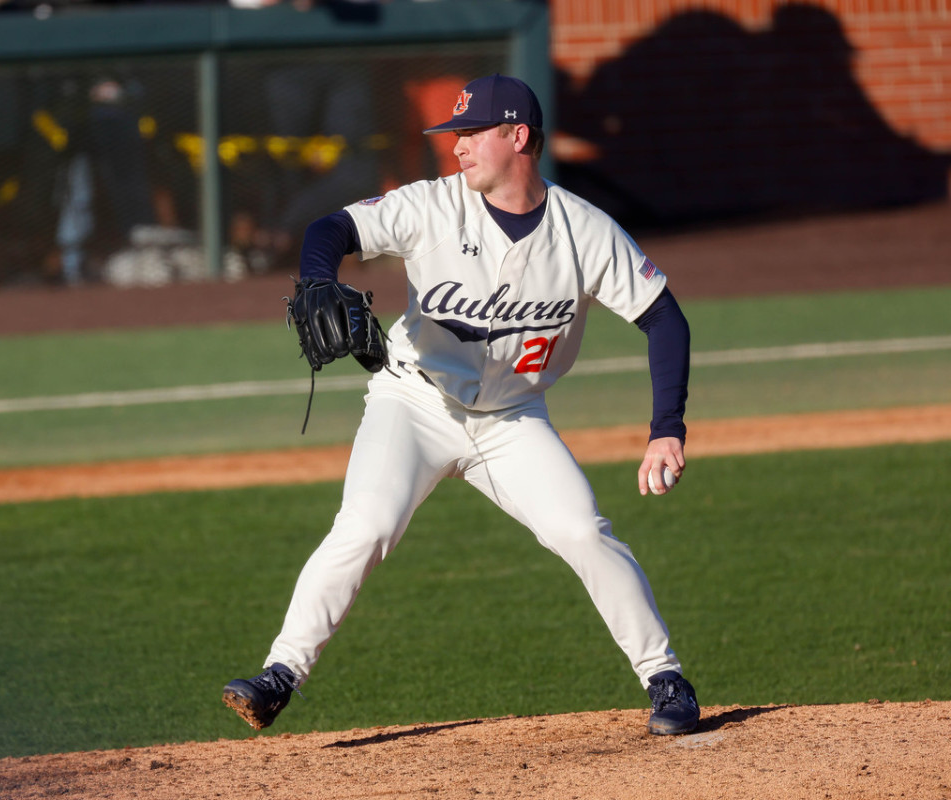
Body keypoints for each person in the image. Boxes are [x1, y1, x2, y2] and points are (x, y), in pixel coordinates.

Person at [222, 74, 701, 736]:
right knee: (365, 525)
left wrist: (666, 428)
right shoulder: (432, 206)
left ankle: (666, 679)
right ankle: (279, 675)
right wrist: (317, 280)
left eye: (472, 134)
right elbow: (331, 228)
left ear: (518, 137)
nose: (458, 147)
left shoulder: (583, 230)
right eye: (455, 135)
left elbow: (664, 318)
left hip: (512, 420)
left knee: (581, 531)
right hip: (412, 403)